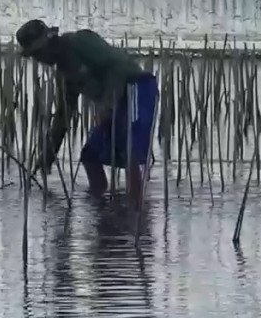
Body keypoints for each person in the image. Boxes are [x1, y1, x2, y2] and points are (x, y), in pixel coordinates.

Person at [15, 19, 159, 198]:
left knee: (131, 150)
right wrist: (48, 155)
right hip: (112, 104)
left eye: (37, 54)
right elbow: (63, 116)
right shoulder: (64, 74)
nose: (39, 60)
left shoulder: (80, 41)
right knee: (90, 155)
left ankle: (136, 207)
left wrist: (107, 105)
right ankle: (100, 202)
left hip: (136, 88)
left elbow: (116, 66)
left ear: (49, 43)